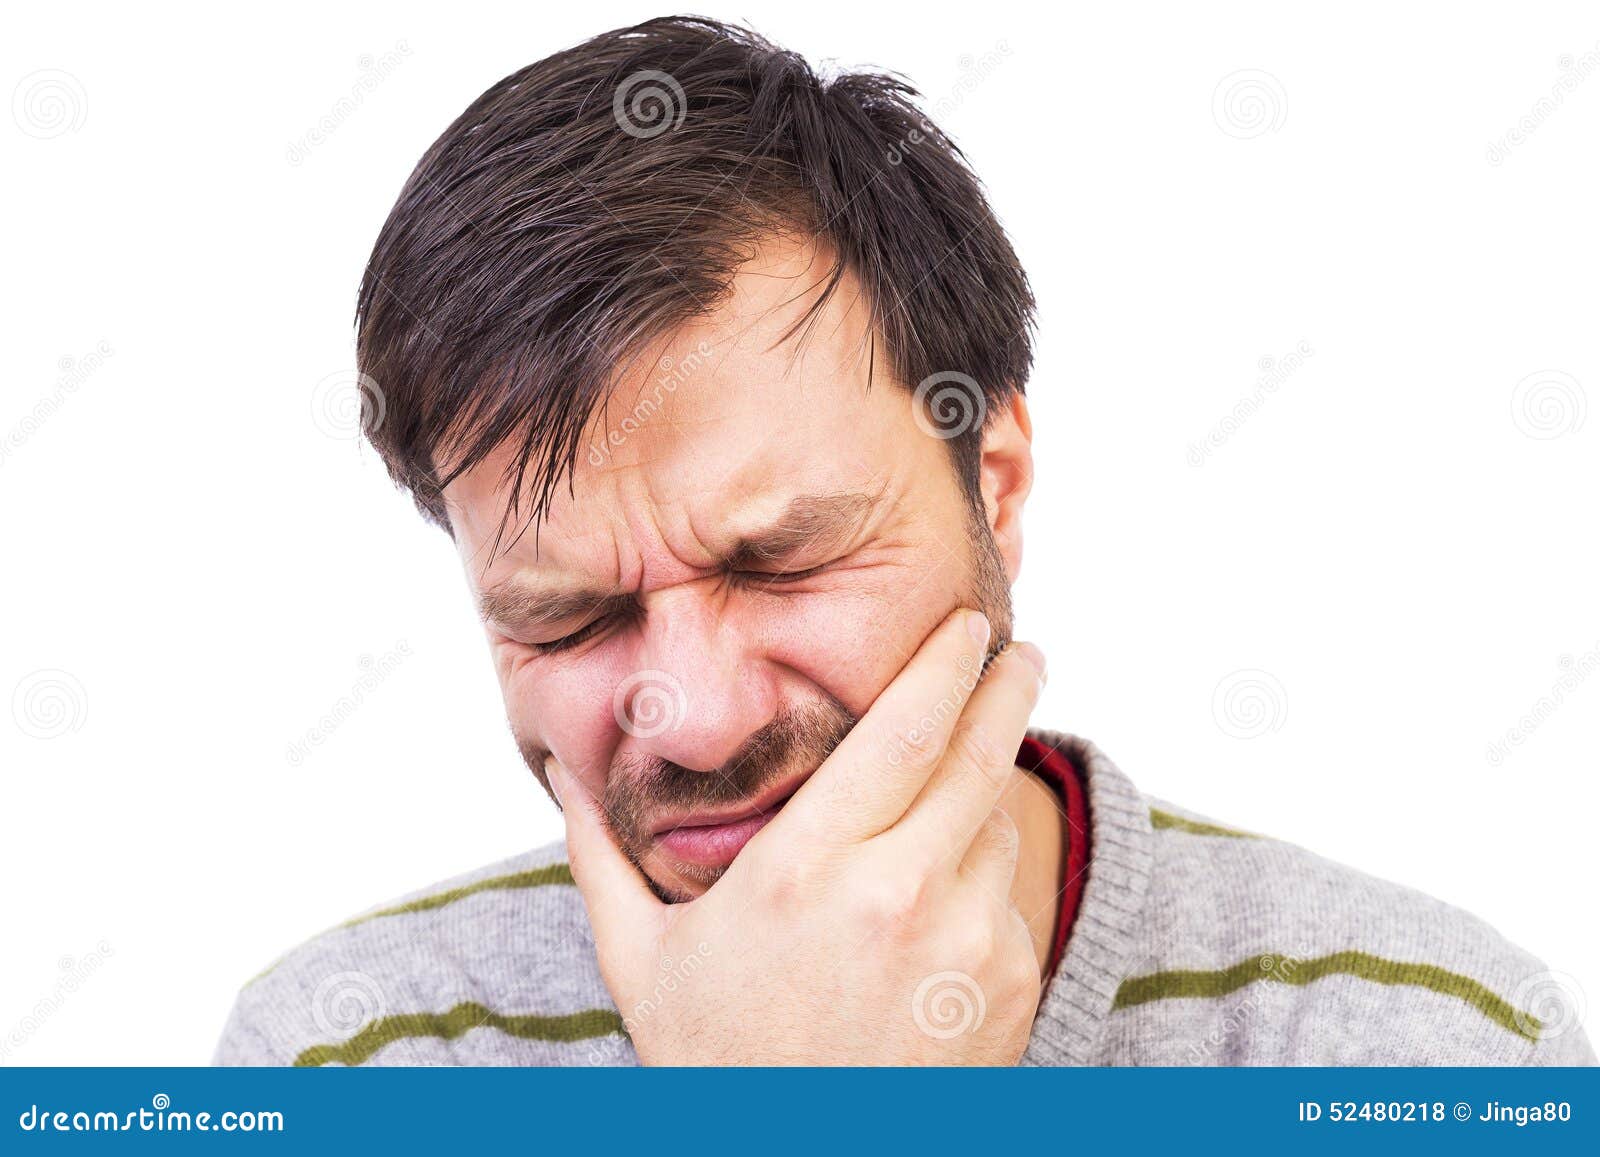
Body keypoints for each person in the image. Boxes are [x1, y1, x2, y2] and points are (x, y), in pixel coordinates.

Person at [214, 16, 1593, 1067]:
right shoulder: (350, 1053)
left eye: (782, 562)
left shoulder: (1429, 1039)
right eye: (570, 616)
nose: (692, 717)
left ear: (991, 483)